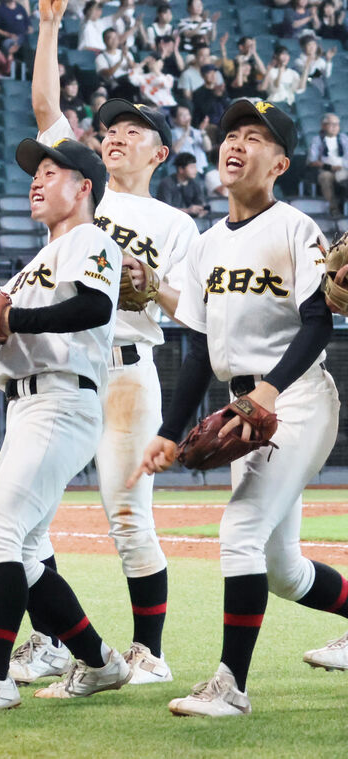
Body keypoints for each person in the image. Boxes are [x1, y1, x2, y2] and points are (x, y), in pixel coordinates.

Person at [7, 0, 199, 687]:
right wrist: (49, 25)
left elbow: (193, 310)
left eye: (134, 130)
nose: (117, 135)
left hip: (124, 371)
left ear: (160, 152)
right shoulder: (83, 190)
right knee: (30, 515)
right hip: (61, 367)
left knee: (127, 515)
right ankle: (55, 641)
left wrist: (155, 288)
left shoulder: (176, 224)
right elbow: (43, 104)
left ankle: (148, 652)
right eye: (112, 127)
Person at [132, 99, 348, 716]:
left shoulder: (295, 229)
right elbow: (201, 350)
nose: (237, 144)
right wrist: (169, 431)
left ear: (279, 163)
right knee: (283, 570)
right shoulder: (204, 246)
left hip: (295, 397)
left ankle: (231, 687)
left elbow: (318, 323)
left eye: (255, 137)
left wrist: (270, 390)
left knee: (241, 531)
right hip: (244, 408)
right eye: (232, 134)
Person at [0, 139, 130, 714]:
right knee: (29, 550)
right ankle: (99, 662)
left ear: (83, 187)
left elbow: (93, 307)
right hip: (29, 404)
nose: (36, 181)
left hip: (61, 398)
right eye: (34, 174)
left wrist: (15, 315)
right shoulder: (38, 263)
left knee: (0, 533)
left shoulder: (90, 240)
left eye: (50, 171)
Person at [309, 112, 348, 215]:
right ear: (323, 126)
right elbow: (312, 161)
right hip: (327, 170)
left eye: (337, 124)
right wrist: (331, 167)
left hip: (344, 169)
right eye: (332, 124)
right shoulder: (317, 140)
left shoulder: (344, 138)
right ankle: (333, 208)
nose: (335, 127)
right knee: (325, 177)